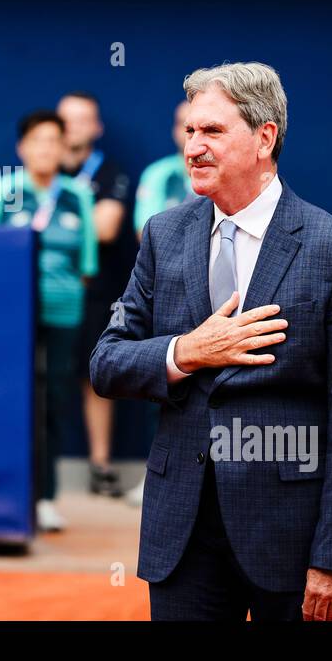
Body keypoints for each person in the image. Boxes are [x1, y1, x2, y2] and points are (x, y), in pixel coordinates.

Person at [90, 62, 332, 621]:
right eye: (189, 132)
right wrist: (185, 351)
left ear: (265, 137)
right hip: (181, 534)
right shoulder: (164, 233)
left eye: (213, 132)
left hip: (293, 538)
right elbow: (106, 363)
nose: (194, 148)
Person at [0, 112, 96, 533]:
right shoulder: (0, 191)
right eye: (37, 141)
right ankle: (4, 494)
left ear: (65, 149)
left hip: (64, 313)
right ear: (21, 147)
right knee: (11, 400)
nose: (45, 149)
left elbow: (86, 264)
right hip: (10, 318)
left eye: (53, 141)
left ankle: (45, 497)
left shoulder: (78, 196)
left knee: (54, 403)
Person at [56, 91, 134, 498]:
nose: (73, 127)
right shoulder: (39, 172)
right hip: (44, 292)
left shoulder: (108, 172)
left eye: (83, 119)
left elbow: (106, 229)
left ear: (96, 127)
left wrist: (62, 213)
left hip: (95, 292)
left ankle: (100, 466)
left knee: (95, 378)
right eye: (66, 119)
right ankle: (34, 466)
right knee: (39, 377)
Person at [123, 97, 196, 509]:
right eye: (186, 127)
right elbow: (145, 233)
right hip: (167, 297)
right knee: (162, 382)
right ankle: (156, 473)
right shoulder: (158, 175)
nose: (193, 136)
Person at [134, 98, 196, 236]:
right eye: (182, 124)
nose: (188, 132)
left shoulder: (224, 172)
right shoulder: (157, 173)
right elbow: (145, 233)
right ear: (174, 130)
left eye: (195, 126)